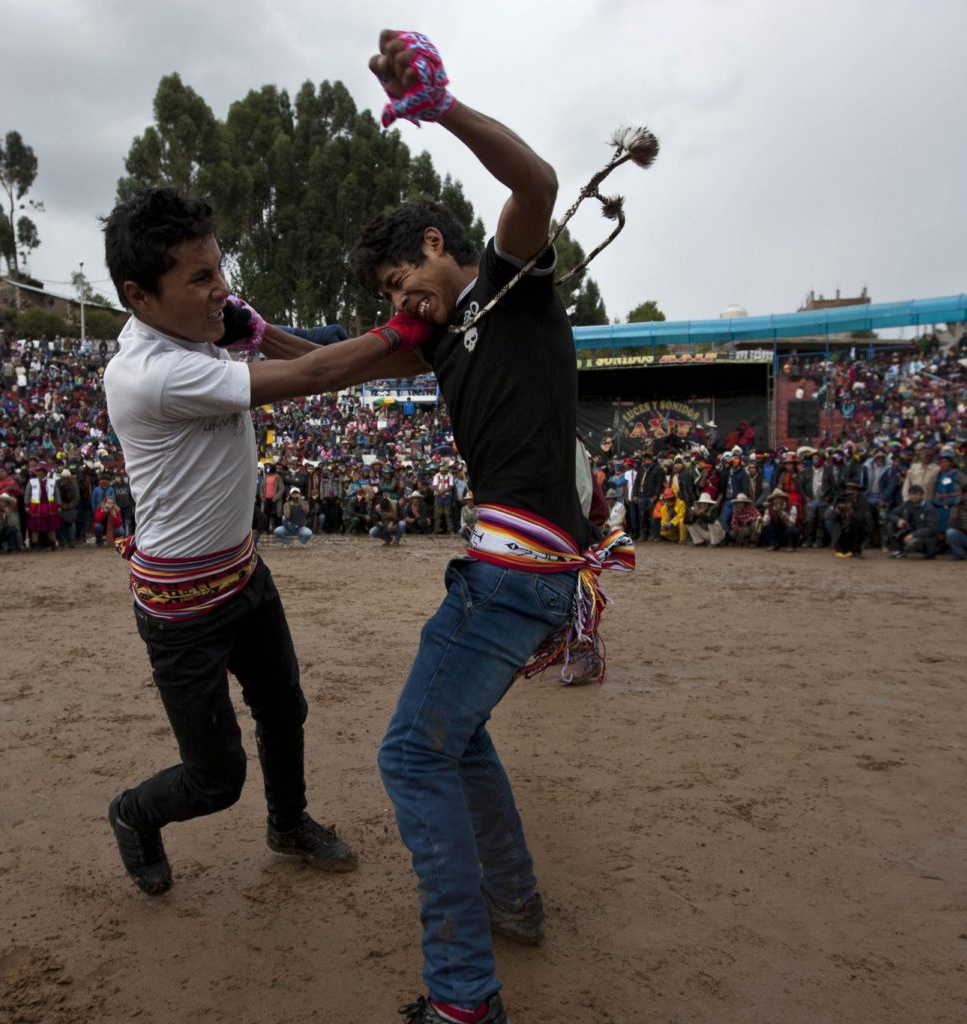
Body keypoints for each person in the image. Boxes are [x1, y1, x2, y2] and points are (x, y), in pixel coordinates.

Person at [349, 31, 634, 1021]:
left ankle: (464, 998)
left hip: (512, 575)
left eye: (398, 282)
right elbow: (333, 362)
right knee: (455, 741)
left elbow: (540, 179)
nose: (398, 304)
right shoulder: (441, 342)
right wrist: (252, 339)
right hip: (521, 574)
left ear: (435, 245)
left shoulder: (512, 287)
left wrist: (440, 107)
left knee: (409, 754)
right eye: (387, 300)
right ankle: (514, 904)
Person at [99, 183, 434, 900]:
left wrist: (255, 325)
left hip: (242, 576)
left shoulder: (198, 331)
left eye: (220, 270)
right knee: (215, 780)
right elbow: (313, 372)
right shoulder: (154, 373)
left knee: (285, 708)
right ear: (140, 295)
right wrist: (408, 329)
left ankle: (288, 824)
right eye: (200, 279)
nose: (221, 290)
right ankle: (133, 813)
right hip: (182, 607)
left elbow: (294, 346)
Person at [887, 485, 940, 559]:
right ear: (909, 495)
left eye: (917, 494)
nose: (914, 496)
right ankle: (897, 551)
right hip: (911, 531)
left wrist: (913, 534)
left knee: (912, 544)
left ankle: (926, 552)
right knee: (891, 524)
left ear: (921, 495)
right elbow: (891, 514)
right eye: (912, 494)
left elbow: (932, 528)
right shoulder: (906, 504)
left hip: (925, 537)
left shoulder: (928, 507)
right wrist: (898, 520)